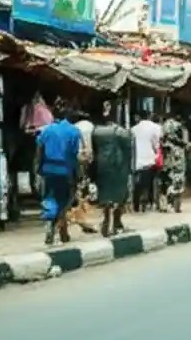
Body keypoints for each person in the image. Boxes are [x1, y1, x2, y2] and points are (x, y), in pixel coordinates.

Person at [36, 107, 81, 245]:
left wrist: (38, 170)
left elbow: (39, 151)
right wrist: (77, 173)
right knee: (64, 200)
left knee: (50, 197)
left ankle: (52, 225)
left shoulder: (45, 131)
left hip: (48, 169)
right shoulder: (74, 131)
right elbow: (74, 154)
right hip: (65, 170)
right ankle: (62, 229)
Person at [91, 101, 132, 236]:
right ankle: (116, 222)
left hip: (102, 167)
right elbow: (128, 150)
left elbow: (94, 151)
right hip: (118, 167)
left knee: (105, 196)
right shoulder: (121, 132)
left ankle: (106, 220)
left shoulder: (95, 131)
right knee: (120, 196)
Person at [130, 112, 162, 212]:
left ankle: (136, 205)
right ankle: (149, 202)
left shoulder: (133, 129)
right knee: (150, 183)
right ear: (149, 116)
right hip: (150, 159)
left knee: (137, 183)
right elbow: (157, 144)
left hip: (136, 160)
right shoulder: (156, 127)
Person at [160, 111, 189, 213]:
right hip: (178, 157)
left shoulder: (163, 126)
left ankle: (164, 204)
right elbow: (185, 143)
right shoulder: (181, 127)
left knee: (166, 180)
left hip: (166, 158)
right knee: (178, 180)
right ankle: (175, 205)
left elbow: (161, 141)